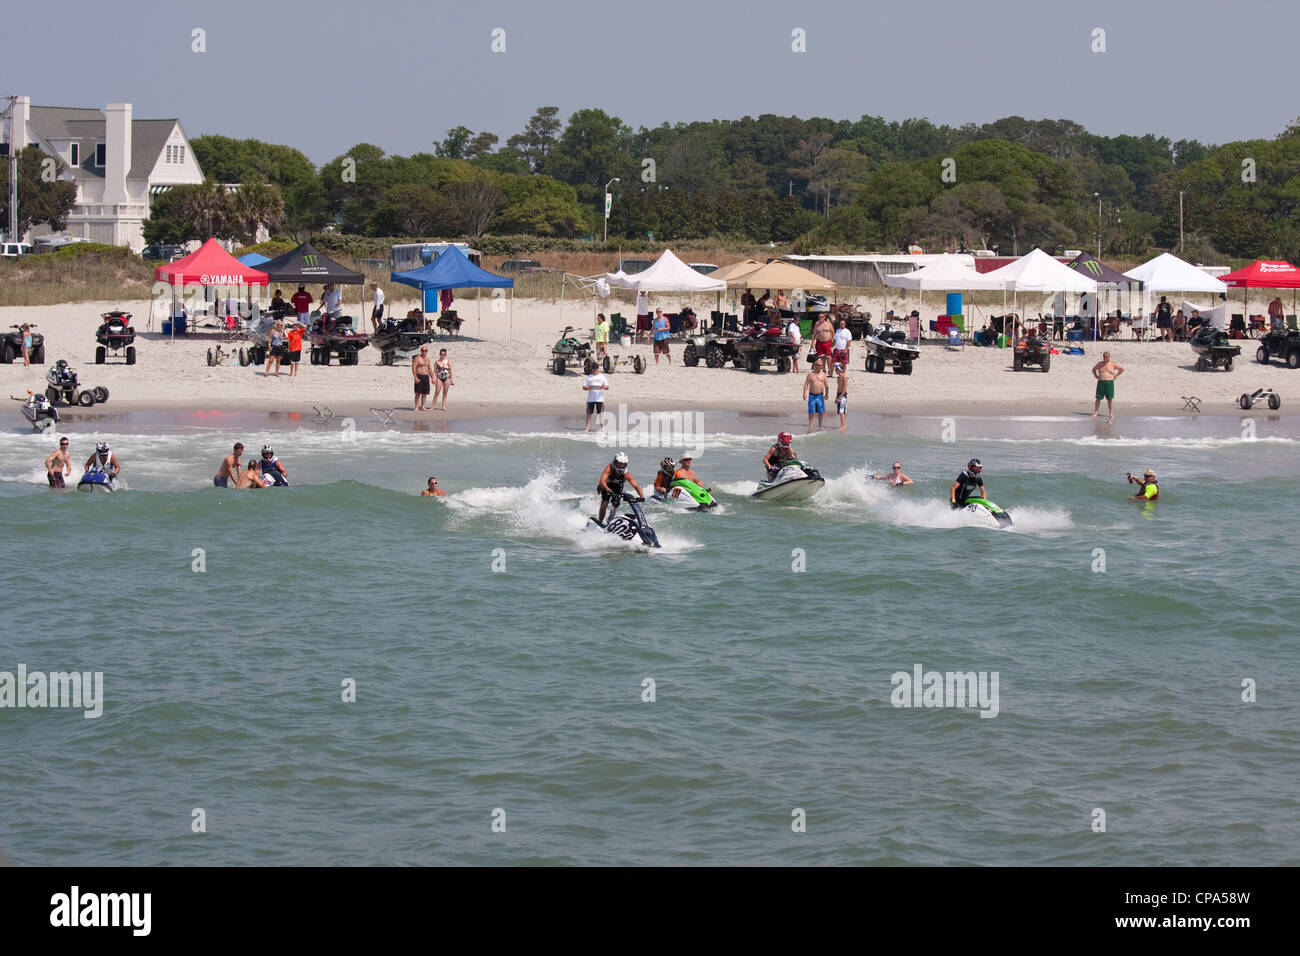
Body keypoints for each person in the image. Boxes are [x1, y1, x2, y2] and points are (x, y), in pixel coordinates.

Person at [596, 452, 643, 526]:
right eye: (619, 464)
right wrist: (608, 490)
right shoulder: (609, 468)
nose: (621, 466)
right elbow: (602, 481)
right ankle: (600, 522)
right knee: (605, 503)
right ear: (615, 462)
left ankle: (610, 520)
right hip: (606, 486)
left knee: (615, 504)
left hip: (618, 488)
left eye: (623, 464)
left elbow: (636, 485)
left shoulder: (626, 474)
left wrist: (642, 496)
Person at [1091, 350, 1125, 423]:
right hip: (1101, 382)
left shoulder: (1112, 364)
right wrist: (1096, 376)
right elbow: (1093, 369)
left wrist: (1116, 375)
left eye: (1106, 357)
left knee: (1109, 399)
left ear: (1109, 357)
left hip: (1109, 383)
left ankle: (1111, 413)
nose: (1105, 358)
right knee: (1098, 398)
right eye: (1104, 357)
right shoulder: (1100, 364)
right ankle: (1096, 412)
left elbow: (1122, 369)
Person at [803, 357, 829, 430]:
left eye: (821, 365)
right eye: (819, 365)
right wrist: (804, 393)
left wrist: (826, 394)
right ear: (815, 365)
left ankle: (820, 425)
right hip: (812, 395)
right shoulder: (810, 374)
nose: (820, 367)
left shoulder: (823, 374)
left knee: (821, 411)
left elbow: (827, 385)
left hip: (820, 396)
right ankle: (810, 425)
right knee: (811, 411)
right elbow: (806, 384)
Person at [583, 363, 610, 432]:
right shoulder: (588, 377)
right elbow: (584, 387)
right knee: (589, 413)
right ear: (592, 369)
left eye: (596, 370)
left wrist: (603, 387)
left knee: (601, 413)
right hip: (590, 398)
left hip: (599, 398)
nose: (595, 371)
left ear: (598, 369)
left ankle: (602, 428)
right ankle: (587, 428)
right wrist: (588, 387)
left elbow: (607, 387)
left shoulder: (602, 377)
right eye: (593, 370)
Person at [412, 346, 433, 412]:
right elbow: (413, 368)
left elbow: (429, 369)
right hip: (419, 376)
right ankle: (416, 407)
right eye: (422, 350)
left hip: (426, 377)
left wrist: (432, 377)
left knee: (425, 393)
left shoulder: (428, 359)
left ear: (427, 351)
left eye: (425, 351)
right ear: (421, 351)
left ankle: (423, 406)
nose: (424, 352)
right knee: (418, 393)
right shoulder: (417, 358)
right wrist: (415, 377)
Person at [834, 362, 848, 432]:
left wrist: (840, 397)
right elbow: (838, 388)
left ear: (839, 369)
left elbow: (844, 388)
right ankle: (842, 425)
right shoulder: (838, 377)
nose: (835, 370)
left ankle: (843, 426)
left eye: (836, 369)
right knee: (841, 411)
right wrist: (836, 397)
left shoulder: (843, 376)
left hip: (843, 395)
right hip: (839, 394)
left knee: (841, 411)